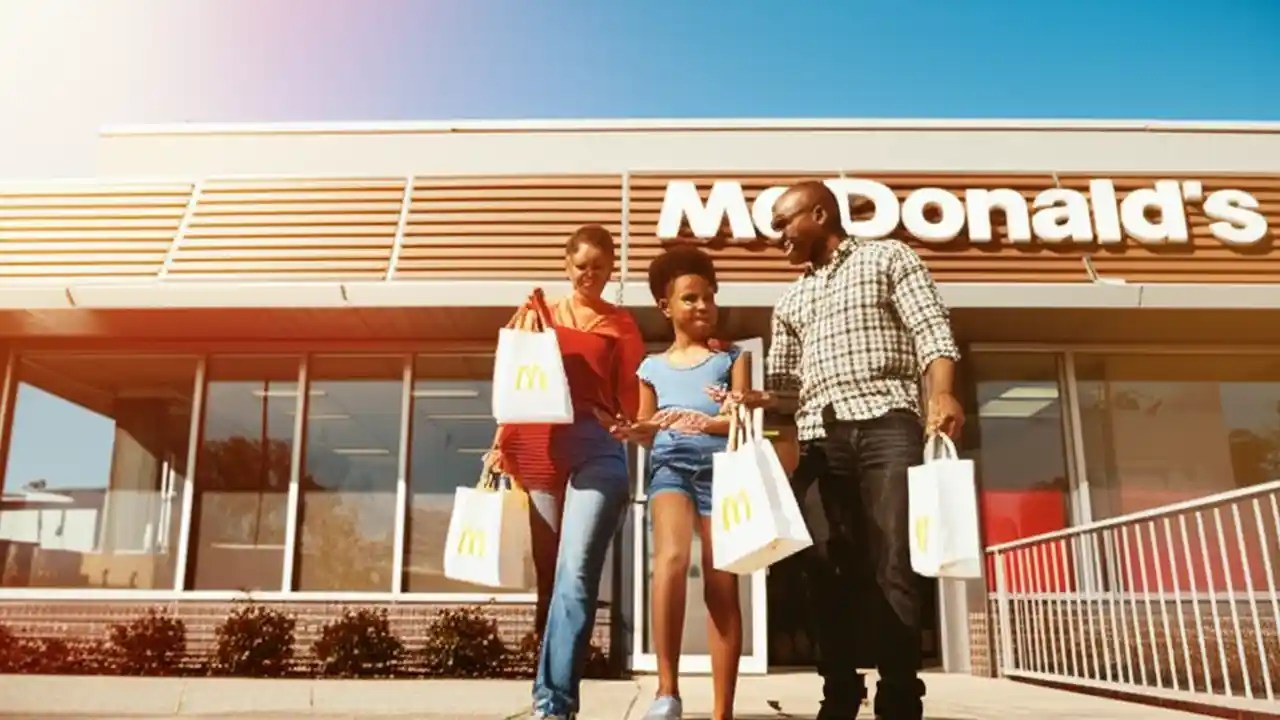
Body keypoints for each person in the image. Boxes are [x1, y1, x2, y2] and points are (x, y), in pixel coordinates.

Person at [718, 181, 963, 720]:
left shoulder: (888, 257)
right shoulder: (790, 301)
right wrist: (757, 399)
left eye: (784, 223)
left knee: (893, 561)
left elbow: (932, 331)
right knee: (824, 566)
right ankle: (840, 691)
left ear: (819, 213)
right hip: (818, 441)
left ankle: (899, 694)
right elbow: (786, 389)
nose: (777, 236)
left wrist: (942, 392)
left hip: (887, 425)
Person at [487, 224, 645, 720]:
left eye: (599, 267)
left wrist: (627, 424)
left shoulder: (621, 324)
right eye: (581, 266)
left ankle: (553, 703)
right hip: (540, 449)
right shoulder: (539, 313)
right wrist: (499, 441)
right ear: (566, 265)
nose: (589, 274)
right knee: (549, 581)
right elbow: (515, 379)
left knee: (576, 572)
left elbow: (632, 395)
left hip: (596, 449)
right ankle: (552, 690)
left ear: (611, 269)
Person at [612, 246, 748, 720]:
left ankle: (722, 710)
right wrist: (635, 431)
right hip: (670, 467)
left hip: (722, 471)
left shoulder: (732, 358)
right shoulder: (650, 368)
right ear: (665, 306)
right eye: (690, 298)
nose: (703, 305)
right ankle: (666, 692)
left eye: (709, 296)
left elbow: (740, 421)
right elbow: (649, 427)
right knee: (670, 559)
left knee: (721, 579)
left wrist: (707, 421)